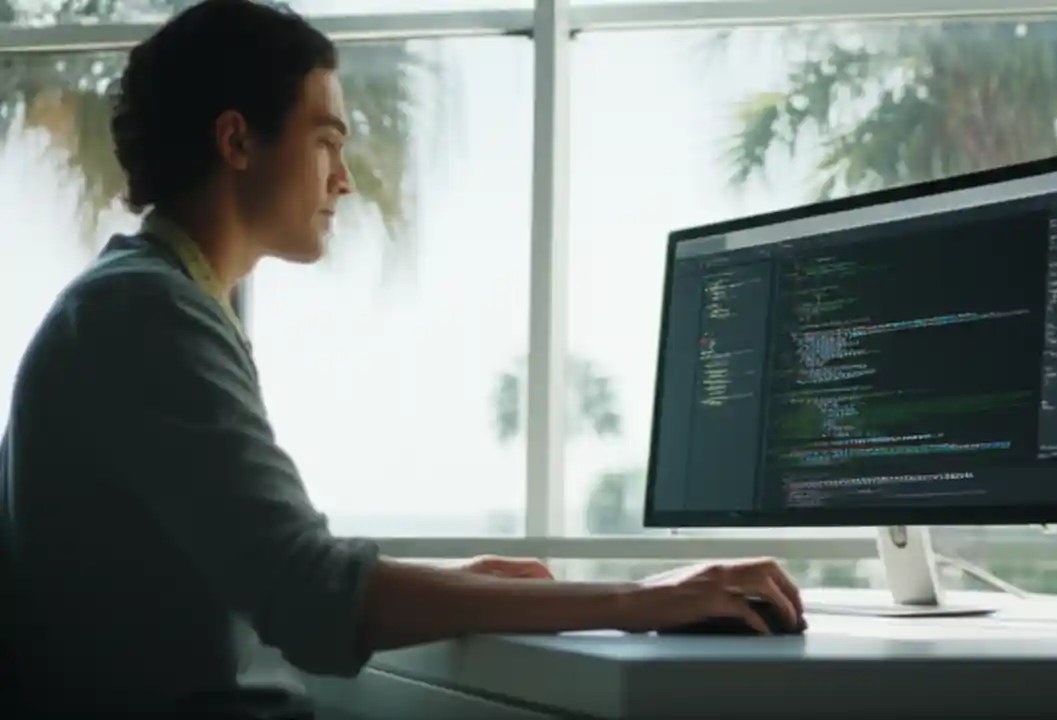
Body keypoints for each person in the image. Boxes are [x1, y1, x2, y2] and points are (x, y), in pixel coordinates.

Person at [0, 0, 804, 715]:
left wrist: (470, 585)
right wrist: (641, 601)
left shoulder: (144, 302)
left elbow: (272, 562)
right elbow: (313, 598)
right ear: (238, 140)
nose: (343, 180)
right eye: (326, 141)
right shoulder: (145, 314)